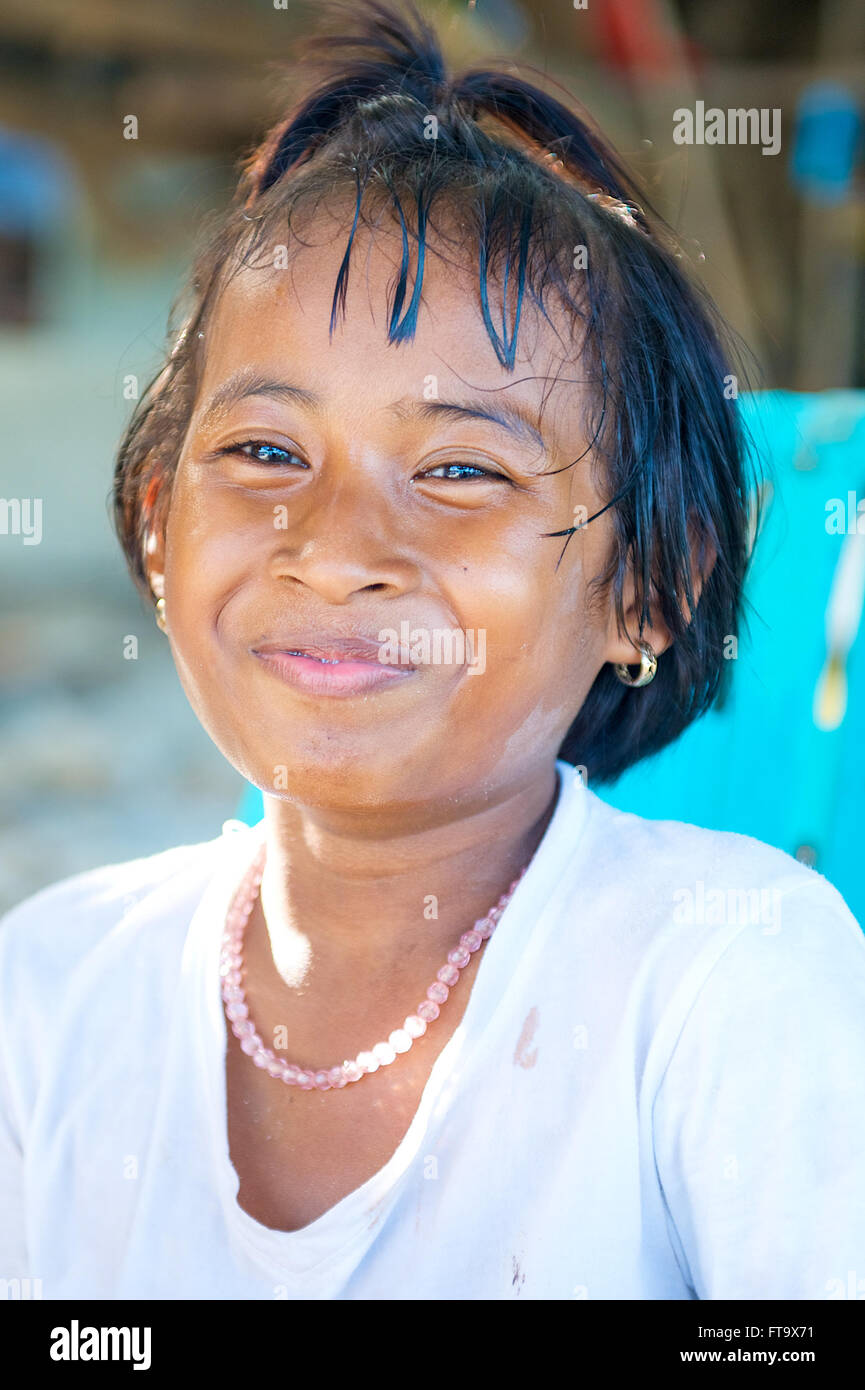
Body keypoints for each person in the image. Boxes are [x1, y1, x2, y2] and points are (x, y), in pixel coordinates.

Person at [2, 0, 864, 1301]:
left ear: (649, 585)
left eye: (461, 469)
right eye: (264, 451)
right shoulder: (50, 999)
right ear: (161, 525)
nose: (334, 548)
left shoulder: (726, 982)